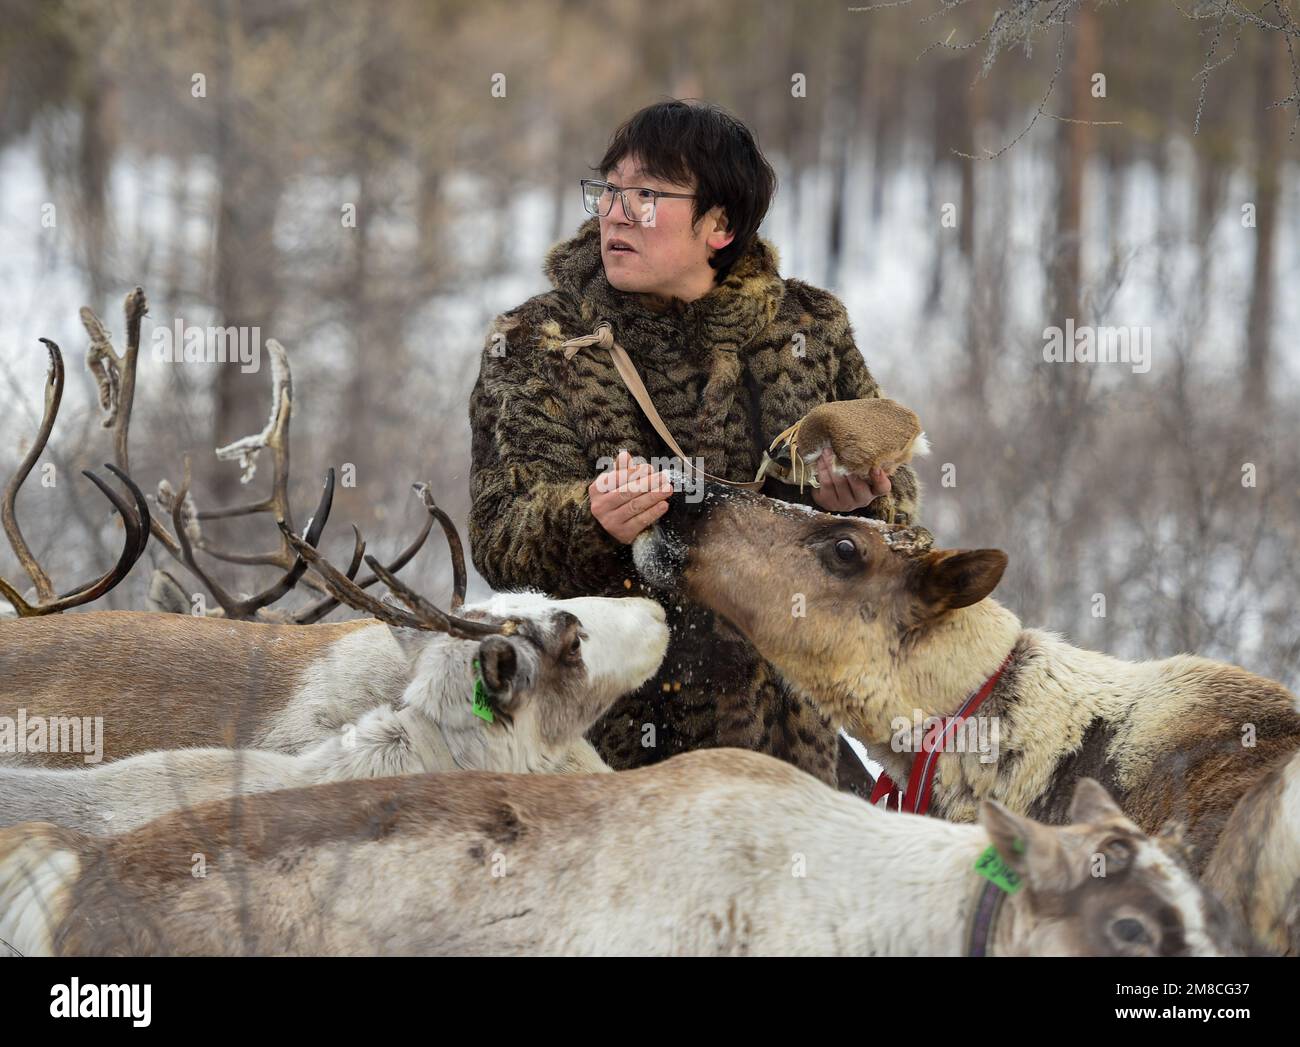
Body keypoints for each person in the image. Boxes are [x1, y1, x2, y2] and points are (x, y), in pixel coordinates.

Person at [467, 99, 920, 789]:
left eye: (647, 194)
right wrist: (589, 519)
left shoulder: (810, 332)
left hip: (790, 759)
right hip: (605, 765)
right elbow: (500, 537)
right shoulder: (537, 344)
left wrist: (863, 503)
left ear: (720, 225)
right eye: (610, 189)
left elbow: (902, 532)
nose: (616, 212)